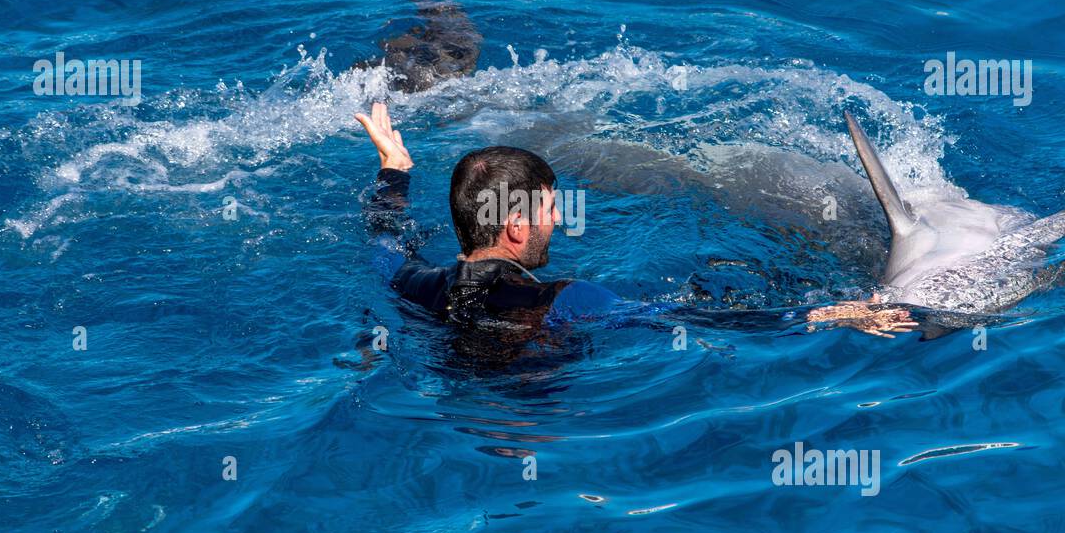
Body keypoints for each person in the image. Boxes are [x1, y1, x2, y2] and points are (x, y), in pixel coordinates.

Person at [355, 101, 916, 338]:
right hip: (541, 417)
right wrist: (831, 313)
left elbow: (383, 239)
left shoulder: (413, 284)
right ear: (516, 225)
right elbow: (701, 319)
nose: (559, 217)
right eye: (551, 207)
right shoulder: (565, 301)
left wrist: (395, 171)